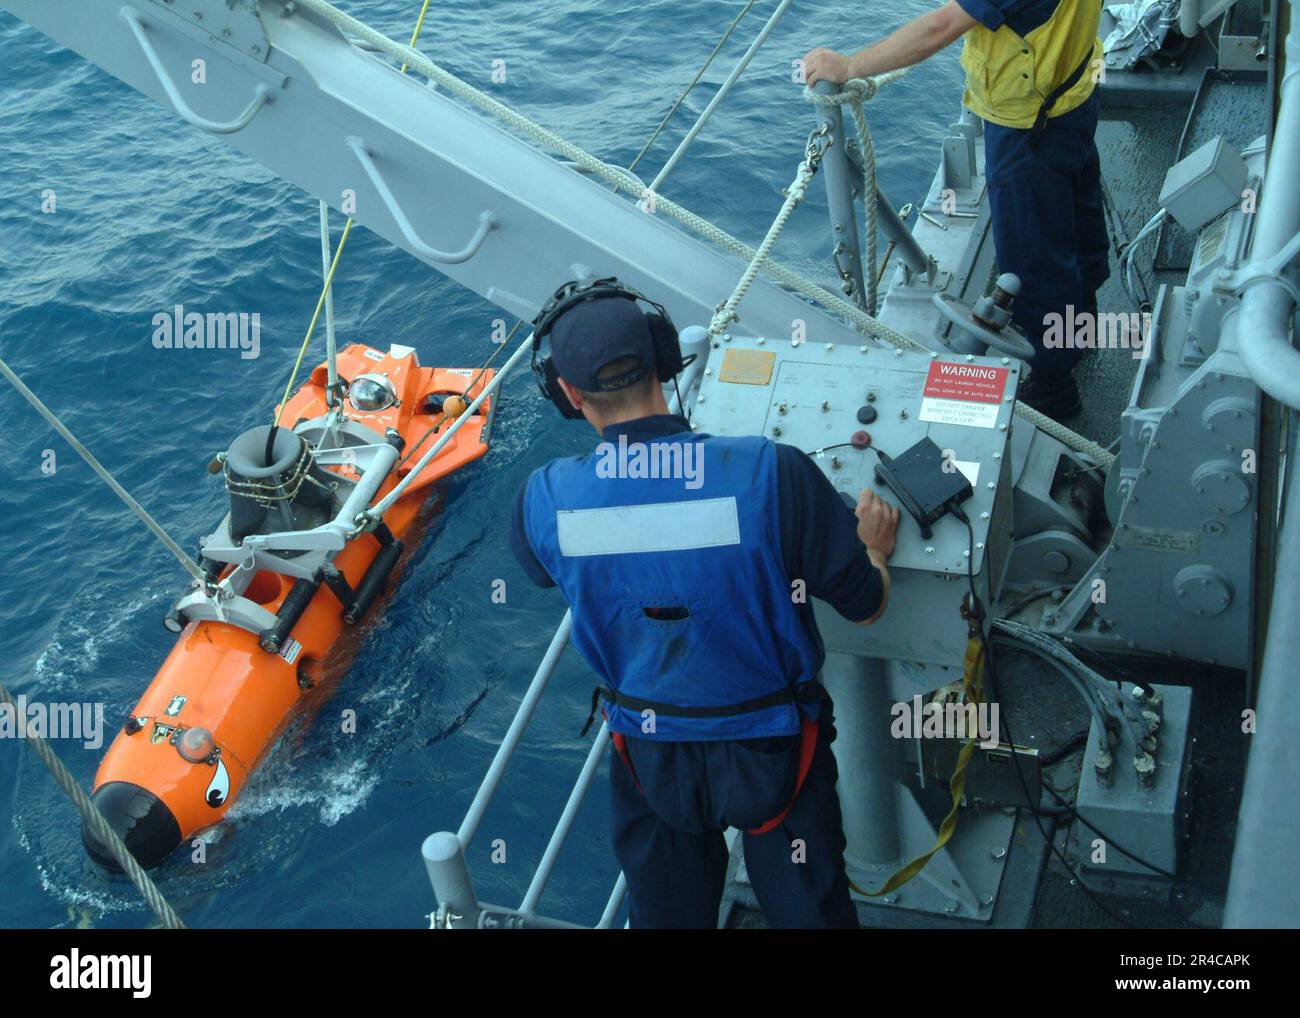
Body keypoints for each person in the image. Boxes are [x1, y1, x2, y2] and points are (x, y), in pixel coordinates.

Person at [510, 278, 900, 928]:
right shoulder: (773, 473)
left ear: (569, 395)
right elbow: (867, 606)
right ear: (665, 359)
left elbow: (542, 569)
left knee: (666, 917)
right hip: (776, 751)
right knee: (812, 914)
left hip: (651, 753)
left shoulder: (544, 498)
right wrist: (876, 550)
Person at [803, 0, 1109, 419]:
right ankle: (1083, 323)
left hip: (1026, 125)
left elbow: (940, 27)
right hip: (1073, 92)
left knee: (1035, 260)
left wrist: (850, 66)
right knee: (1076, 219)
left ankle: (1055, 384)